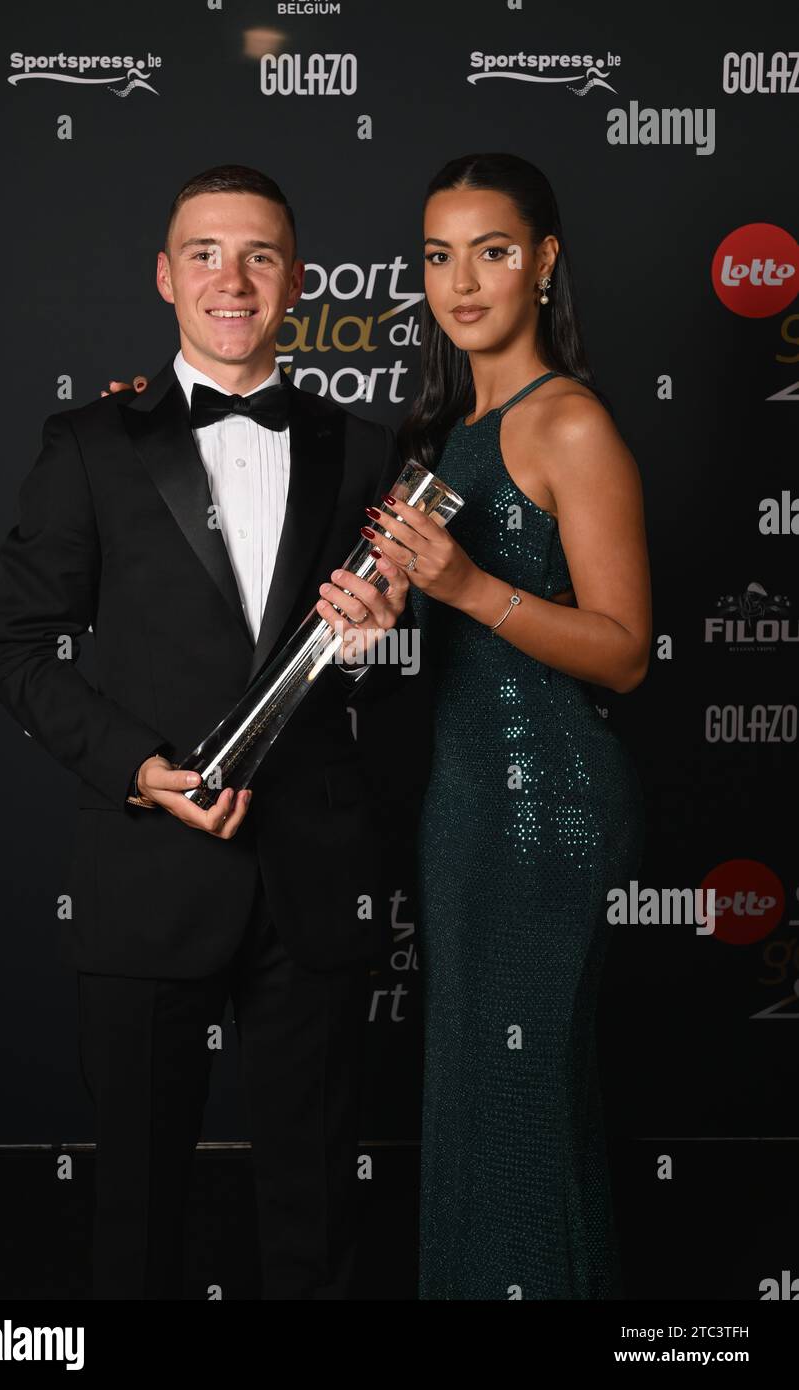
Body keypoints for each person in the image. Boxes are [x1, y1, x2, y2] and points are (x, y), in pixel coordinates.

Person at [0, 164, 415, 1300]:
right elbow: (18, 651)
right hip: (142, 875)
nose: (233, 278)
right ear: (165, 276)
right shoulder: (87, 443)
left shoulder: (366, 450)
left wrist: (379, 653)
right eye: (207, 254)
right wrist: (138, 770)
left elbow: (385, 689)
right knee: (134, 1216)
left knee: (316, 1217)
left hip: (315, 884)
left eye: (260, 255)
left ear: (298, 282)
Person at [368, 152, 651, 1299]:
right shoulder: (446, 431)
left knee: (526, 1108)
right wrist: (381, 606)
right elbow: (437, 641)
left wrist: (469, 587)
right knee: (473, 1100)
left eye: (491, 251)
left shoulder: (565, 422)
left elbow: (625, 650)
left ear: (540, 262)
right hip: (463, 802)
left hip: (550, 812)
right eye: (439, 256)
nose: (462, 282)